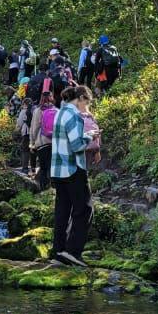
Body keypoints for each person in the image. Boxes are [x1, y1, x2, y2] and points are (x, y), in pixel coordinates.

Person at [50, 85, 96, 266]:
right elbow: (77, 146)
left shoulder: (60, 112)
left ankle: (58, 251)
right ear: (81, 98)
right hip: (72, 168)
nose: (87, 107)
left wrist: (86, 134)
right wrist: (90, 137)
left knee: (62, 210)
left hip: (57, 170)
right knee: (84, 209)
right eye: (87, 102)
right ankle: (73, 252)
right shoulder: (75, 115)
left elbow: (67, 139)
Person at [30, 93, 59, 190]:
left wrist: (32, 142)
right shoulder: (57, 110)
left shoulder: (38, 111)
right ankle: (54, 187)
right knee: (53, 165)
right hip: (54, 142)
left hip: (42, 142)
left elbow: (34, 128)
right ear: (52, 98)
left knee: (43, 167)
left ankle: (43, 188)